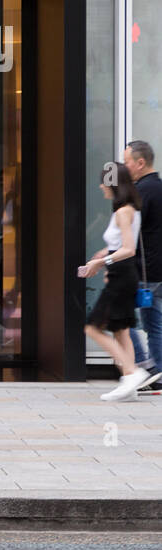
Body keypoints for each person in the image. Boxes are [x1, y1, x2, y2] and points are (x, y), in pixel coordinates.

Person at [81, 162, 147, 402]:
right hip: (123, 274)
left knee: (92, 327)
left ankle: (131, 372)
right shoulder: (128, 209)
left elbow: (128, 249)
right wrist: (102, 255)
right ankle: (129, 386)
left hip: (121, 276)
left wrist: (102, 262)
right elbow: (120, 245)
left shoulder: (123, 212)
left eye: (104, 181)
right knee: (121, 331)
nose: (101, 186)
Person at [122, 140, 162, 391]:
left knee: (121, 319)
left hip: (143, 268)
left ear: (140, 162)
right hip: (157, 269)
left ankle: (143, 367)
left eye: (127, 162)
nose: (125, 168)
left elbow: (131, 232)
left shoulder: (142, 192)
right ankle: (157, 373)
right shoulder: (158, 187)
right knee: (154, 322)